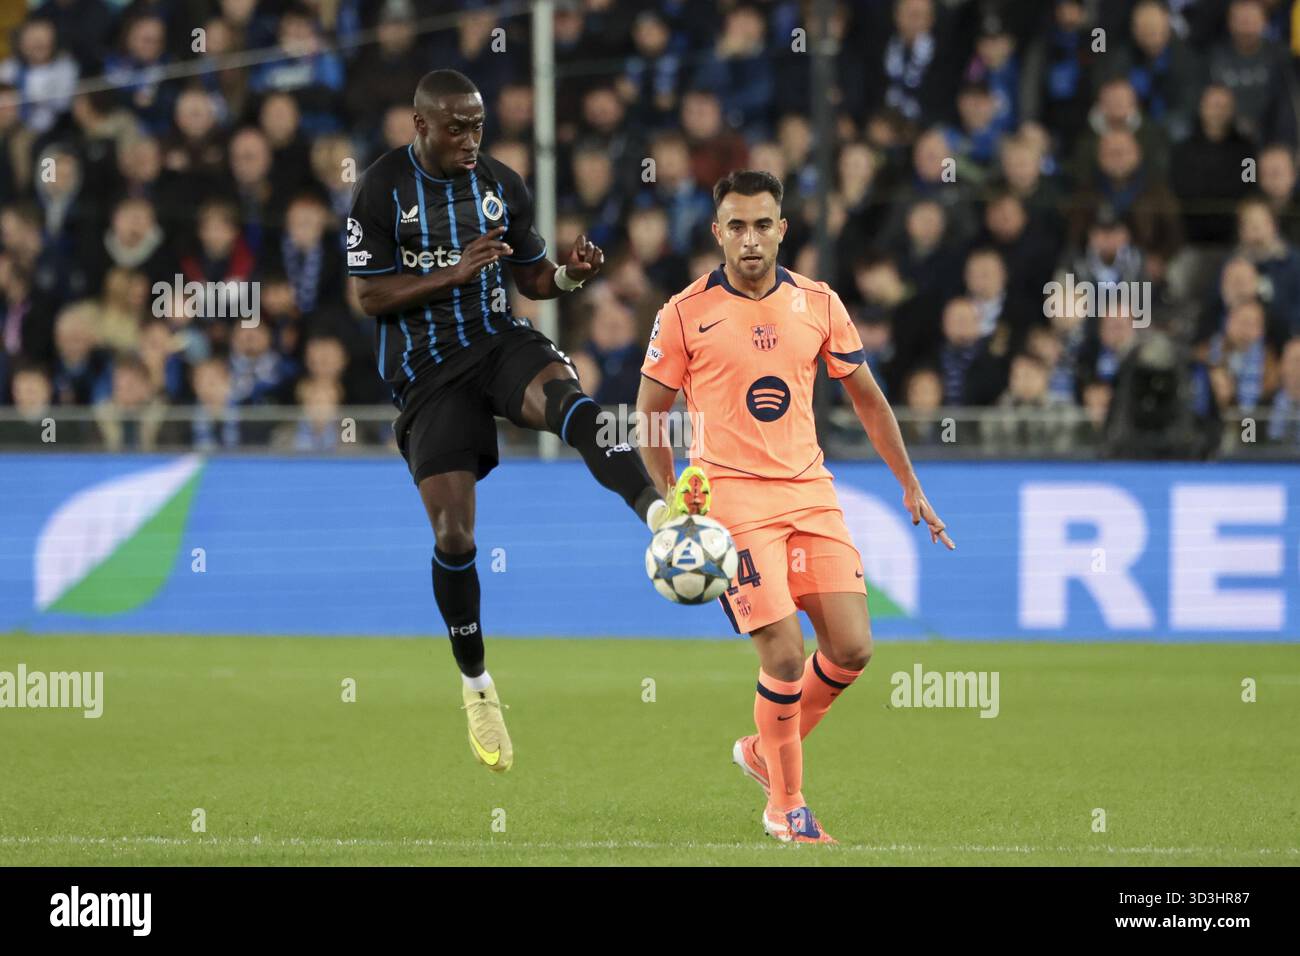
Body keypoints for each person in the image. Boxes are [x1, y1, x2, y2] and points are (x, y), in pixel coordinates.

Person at [347, 70, 692, 776]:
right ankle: (477, 683)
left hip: (498, 342)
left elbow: (530, 277)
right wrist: (451, 273)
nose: (471, 140)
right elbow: (369, 296)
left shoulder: (500, 184)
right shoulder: (380, 191)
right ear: (421, 125)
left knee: (575, 406)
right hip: (426, 376)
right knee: (454, 533)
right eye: (456, 128)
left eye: (477, 125)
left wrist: (568, 277)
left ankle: (662, 517)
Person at [636, 170, 954, 844]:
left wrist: (910, 483)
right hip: (732, 500)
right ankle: (786, 805)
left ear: (783, 229)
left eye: (762, 224)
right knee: (783, 653)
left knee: (853, 647)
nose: (750, 239)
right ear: (717, 231)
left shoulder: (820, 303)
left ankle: (761, 749)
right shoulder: (685, 311)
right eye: (736, 226)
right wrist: (672, 502)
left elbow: (868, 397)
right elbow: (649, 413)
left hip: (810, 493)